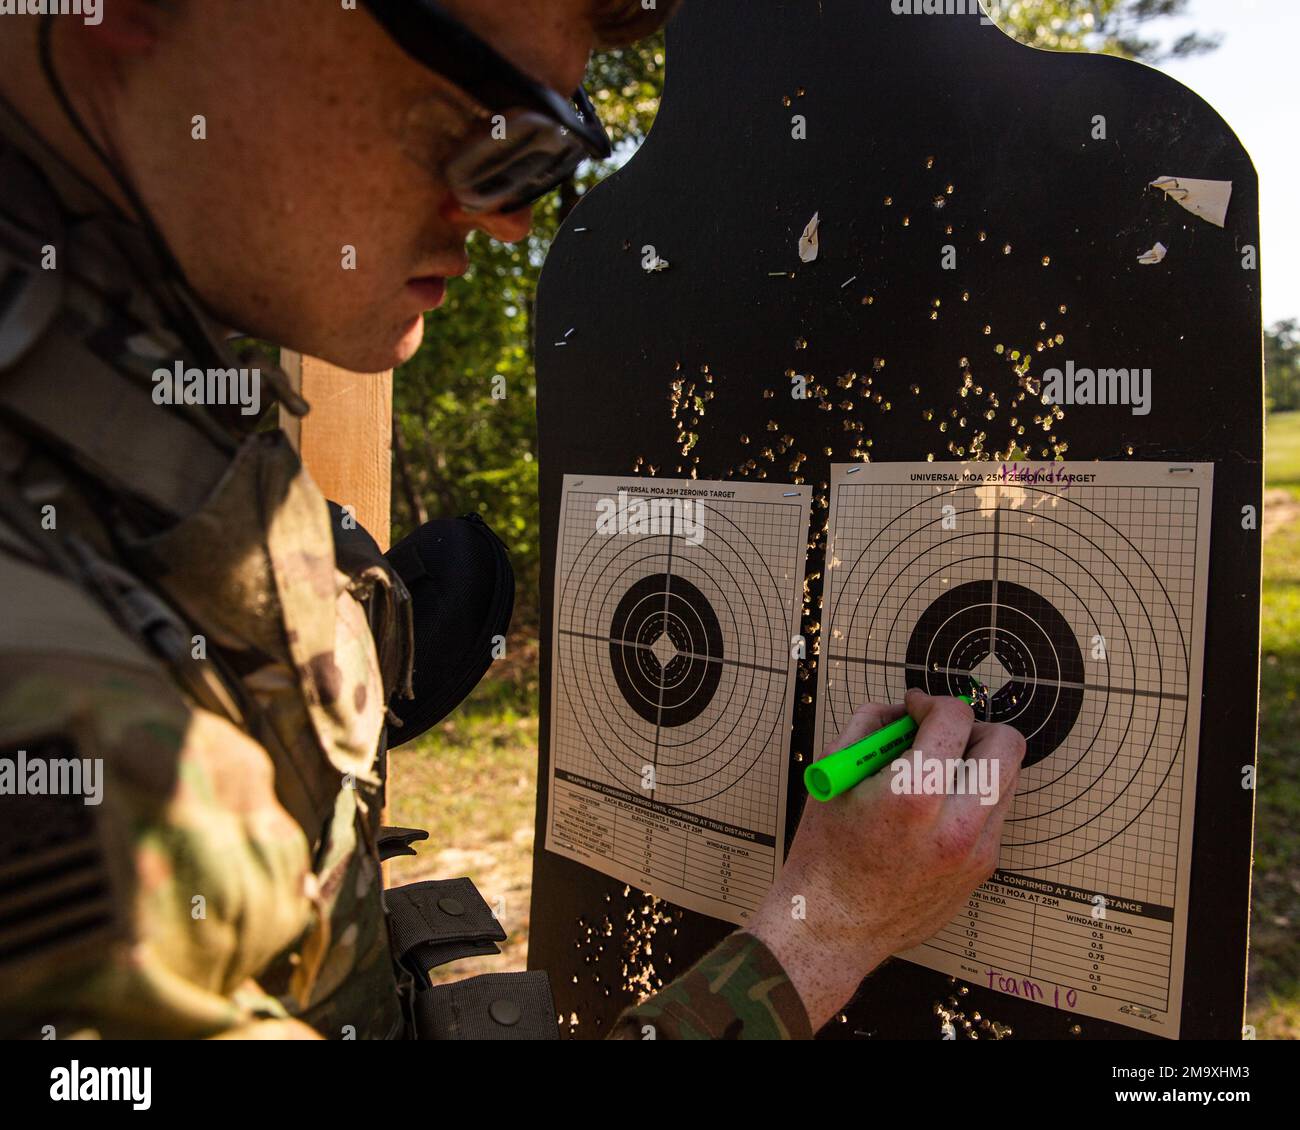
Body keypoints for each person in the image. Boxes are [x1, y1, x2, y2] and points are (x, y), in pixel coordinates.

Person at [0, 0, 1026, 1040]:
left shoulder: (99, 311)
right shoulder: (78, 749)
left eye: (552, 142)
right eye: (471, 122)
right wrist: (823, 930)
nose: (506, 217)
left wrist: (310, 652)